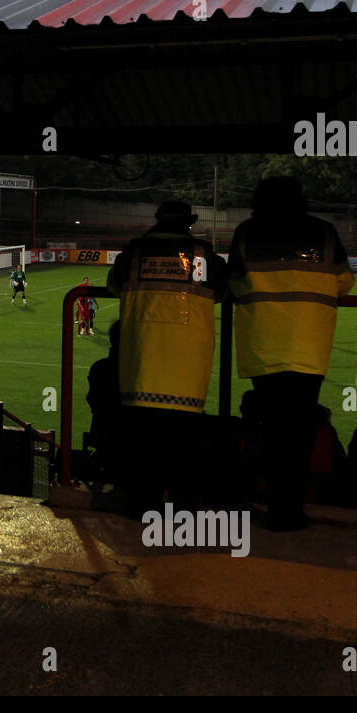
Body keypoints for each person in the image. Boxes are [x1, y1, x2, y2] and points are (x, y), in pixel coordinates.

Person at [228, 177, 354, 531]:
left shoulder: (247, 232)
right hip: (308, 347)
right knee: (298, 430)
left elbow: (234, 282)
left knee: (269, 425)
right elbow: (344, 281)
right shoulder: (325, 232)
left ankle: (268, 500)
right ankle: (289, 511)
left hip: (263, 345)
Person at [106, 201, 227, 511]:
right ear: (189, 223)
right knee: (184, 446)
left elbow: (113, 286)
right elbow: (226, 289)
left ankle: (142, 506)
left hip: (140, 366)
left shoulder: (134, 252)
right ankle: (184, 507)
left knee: (142, 445)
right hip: (187, 370)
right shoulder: (201, 256)